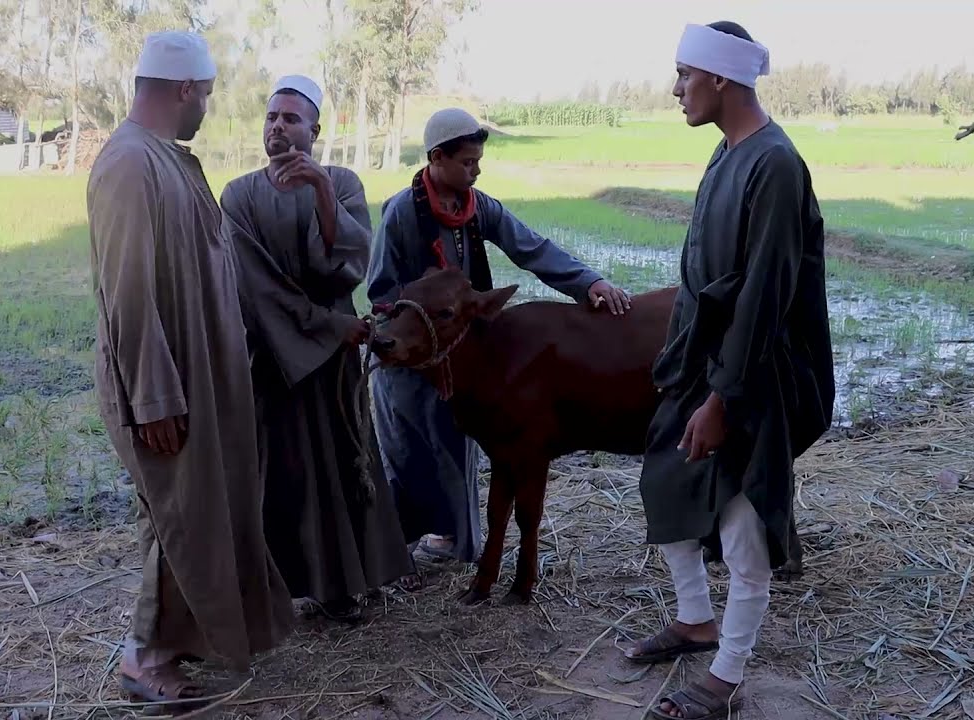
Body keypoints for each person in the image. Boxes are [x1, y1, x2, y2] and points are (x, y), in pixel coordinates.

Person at [623, 21, 835, 719]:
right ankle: (694, 619)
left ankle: (728, 675)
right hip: (705, 366)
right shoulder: (726, 153)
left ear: (720, 77)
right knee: (667, 478)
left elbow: (764, 295)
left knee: (744, 524)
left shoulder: (774, 163)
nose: (675, 87)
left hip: (755, 374)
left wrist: (721, 399)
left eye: (684, 72)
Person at [86, 31, 294, 704]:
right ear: (183, 90)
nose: (207, 105)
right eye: (205, 94)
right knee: (178, 513)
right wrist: (151, 397)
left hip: (194, 381)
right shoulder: (127, 163)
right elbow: (129, 290)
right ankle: (144, 662)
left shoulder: (168, 160)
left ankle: (171, 644)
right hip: (162, 387)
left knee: (189, 512)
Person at [366, 107, 631, 583]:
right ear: (436, 158)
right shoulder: (402, 212)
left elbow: (530, 247)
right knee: (409, 448)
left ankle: (456, 542)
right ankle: (398, 553)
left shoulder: (477, 206)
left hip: (460, 354)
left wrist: (587, 283)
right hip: (411, 355)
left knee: (457, 448)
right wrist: (408, 336)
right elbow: (382, 289)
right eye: (467, 162)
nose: (476, 170)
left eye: (478, 161)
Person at [219, 75, 414, 623]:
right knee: (286, 470)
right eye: (271, 117)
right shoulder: (239, 195)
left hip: (337, 354)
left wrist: (322, 192)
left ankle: (346, 583)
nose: (278, 127)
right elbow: (255, 285)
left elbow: (350, 262)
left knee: (342, 461)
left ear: (314, 130)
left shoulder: (343, 182)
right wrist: (326, 322)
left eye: (291, 119)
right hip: (275, 352)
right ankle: (280, 588)